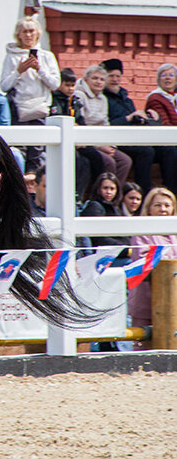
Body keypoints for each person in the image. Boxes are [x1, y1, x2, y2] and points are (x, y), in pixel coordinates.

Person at [0, 17, 61, 172]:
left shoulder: (47, 56)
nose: (28, 35)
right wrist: (19, 71)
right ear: (18, 35)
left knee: (37, 156)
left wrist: (39, 68)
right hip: (19, 112)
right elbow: (4, 85)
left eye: (31, 31)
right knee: (19, 154)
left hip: (40, 111)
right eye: (24, 31)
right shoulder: (12, 56)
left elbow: (55, 84)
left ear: (38, 33)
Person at [102, 57, 169, 196]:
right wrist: (128, 118)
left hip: (132, 138)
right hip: (117, 141)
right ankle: (143, 194)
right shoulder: (103, 99)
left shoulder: (126, 99)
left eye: (118, 76)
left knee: (167, 149)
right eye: (111, 76)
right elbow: (107, 124)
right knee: (146, 151)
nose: (115, 79)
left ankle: (170, 190)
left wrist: (149, 116)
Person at [128, 187, 177, 350]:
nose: (163, 209)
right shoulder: (141, 231)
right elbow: (146, 259)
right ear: (149, 208)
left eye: (167, 205)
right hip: (147, 298)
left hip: (174, 298)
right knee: (144, 349)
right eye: (157, 205)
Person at [73, 65, 131, 185]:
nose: (98, 82)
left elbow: (105, 123)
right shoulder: (79, 95)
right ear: (86, 79)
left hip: (101, 140)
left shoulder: (103, 99)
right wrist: (99, 146)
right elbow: (84, 122)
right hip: (88, 142)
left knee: (125, 161)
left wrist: (110, 145)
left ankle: (115, 195)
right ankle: (101, 193)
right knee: (109, 162)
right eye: (95, 78)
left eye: (101, 79)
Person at [49, 68, 97, 198]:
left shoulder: (75, 101)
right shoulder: (54, 99)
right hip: (64, 141)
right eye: (67, 85)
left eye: (72, 85)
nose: (70, 89)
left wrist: (81, 136)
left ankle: (85, 196)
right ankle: (70, 192)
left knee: (94, 158)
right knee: (74, 158)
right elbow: (57, 118)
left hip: (77, 140)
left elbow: (81, 121)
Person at [79, 173, 129, 264]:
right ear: (98, 189)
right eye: (105, 188)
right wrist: (125, 250)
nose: (109, 192)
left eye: (112, 189)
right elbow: (99, 238)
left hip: (118, 253)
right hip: (101, 258)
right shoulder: (94, 207)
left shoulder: (116, 209)